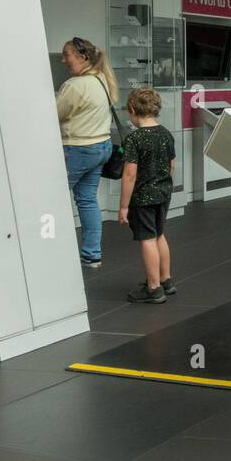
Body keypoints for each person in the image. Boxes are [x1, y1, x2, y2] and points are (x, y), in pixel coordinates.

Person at [57, 36, 118, 268]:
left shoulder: (75, 86)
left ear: (82, 57)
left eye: (67, 55)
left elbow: (53, 115)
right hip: (101, 147)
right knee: (87, 200)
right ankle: (92, 255)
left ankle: (48, 248)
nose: (63, 60)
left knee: (52, 199)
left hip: (79, 149)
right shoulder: (101, 79)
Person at [118, 88, 177, 304]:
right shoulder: (166, 134)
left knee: (147, 239)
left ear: (132, 109)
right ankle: (166, 280)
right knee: (159, 234)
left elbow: (130, 173)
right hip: (163, 193)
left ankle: (153, 288)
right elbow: (171, 165)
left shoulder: (134, 139)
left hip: (143, 197)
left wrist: (124, 206)